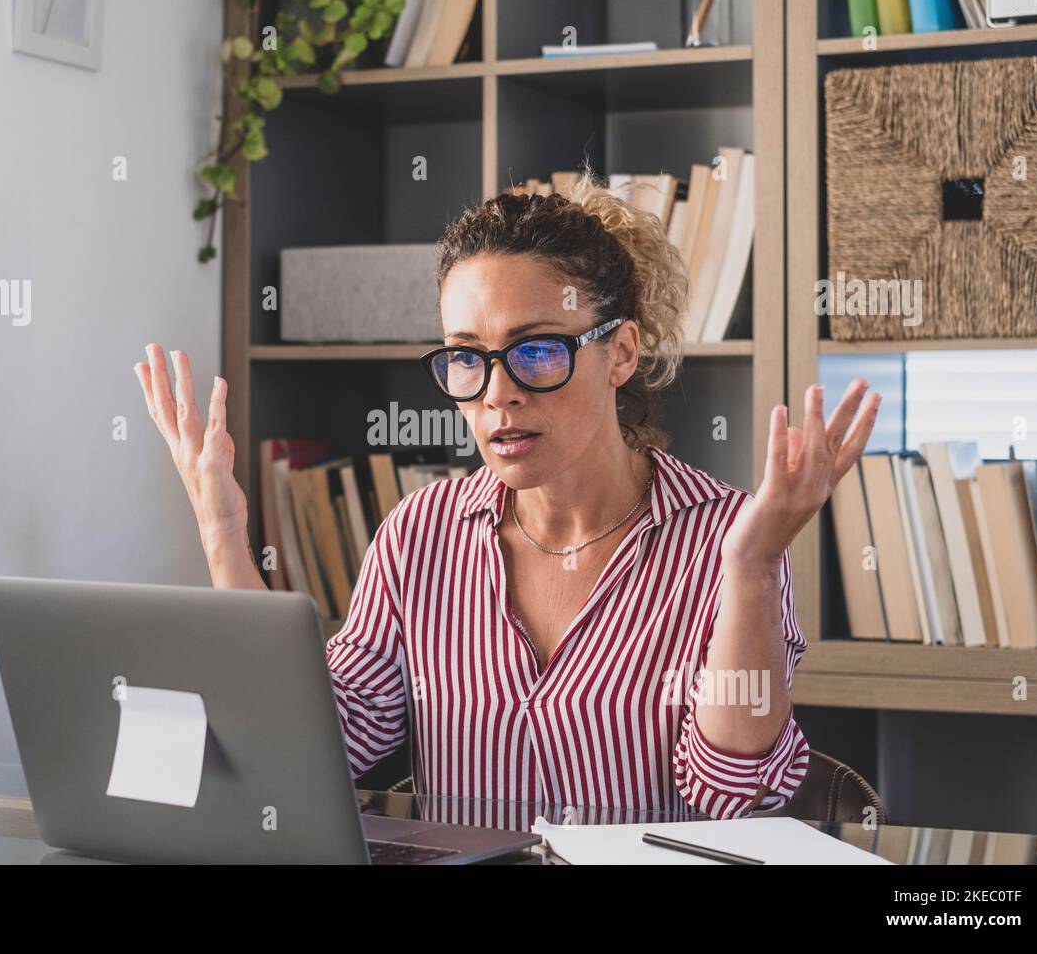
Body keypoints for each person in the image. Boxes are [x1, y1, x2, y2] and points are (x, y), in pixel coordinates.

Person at [134, 174, 880, 819]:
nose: (497, 395)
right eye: (468, 357)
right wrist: (222, 532)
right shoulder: (421, 532)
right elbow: (308, 742)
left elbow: (734, 791)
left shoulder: (729, 539)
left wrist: (750, 566)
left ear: (620, 353)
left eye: (535, 352)